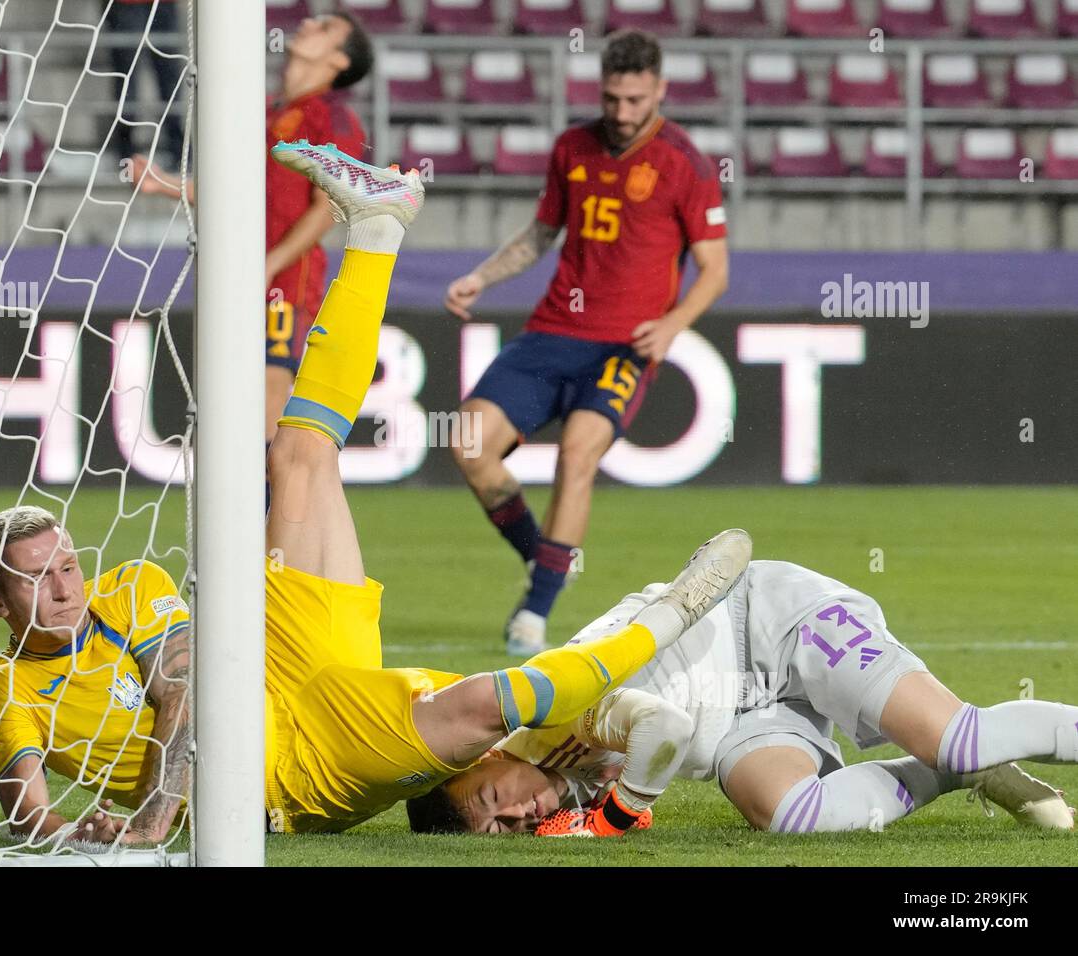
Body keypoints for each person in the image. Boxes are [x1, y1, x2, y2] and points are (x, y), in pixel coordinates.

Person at [258, 139, 751, 833]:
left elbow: (550, 694)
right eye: (522, 825)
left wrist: (676, 612)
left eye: (497, 808)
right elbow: (637, 722)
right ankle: (375, 230)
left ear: (467, 772)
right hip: (318, 687)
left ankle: (542, 590)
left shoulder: (428, 739)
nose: (523, 810)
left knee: (298, 458)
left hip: (288, 749)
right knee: (304, 457)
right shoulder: (462, 742)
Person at [407, 561, 1076, 836]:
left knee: (958, 730)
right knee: (791, 814)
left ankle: (965, 753)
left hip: (770, 622)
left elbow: (663, 728)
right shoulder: (554, 781)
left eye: (496, 798)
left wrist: (614, 818)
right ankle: (959, 774)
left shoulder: (554, 708)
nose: (520, 813)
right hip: (739, 712)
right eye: (496, 827)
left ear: (486, 754)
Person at [442, 30, 730, 656]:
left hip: (624, 345)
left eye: (634, 100)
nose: (622, 113)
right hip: (553, 332)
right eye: (611, 98)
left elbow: (715, 268)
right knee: (467, 441)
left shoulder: (685, 162)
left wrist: (675, 322)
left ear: (659, 90)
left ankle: (534, 614)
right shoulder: (573, 146)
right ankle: (548, 561)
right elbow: (541, 232)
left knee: (578, 453)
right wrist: (480, 277)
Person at [130, 12, 373, 453]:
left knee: (267, 397)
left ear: (339, 59)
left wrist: (268, 266)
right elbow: (236, 194)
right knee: (228, 410)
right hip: (235, 275)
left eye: (323, 27)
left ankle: (268, 517)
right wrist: (162, 184)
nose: (308, 23)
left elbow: (328, 210)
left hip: (285, 280)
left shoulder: (333, 120)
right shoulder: (266, 110)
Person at [0, 506, 191, 845]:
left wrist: (153, 820)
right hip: (260, 812)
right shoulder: (6, 691)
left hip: (295, 724)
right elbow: (28, 814)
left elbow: (185, 690)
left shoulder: (133, 588)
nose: (64, 591)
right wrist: (80, 834)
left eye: (69, 568)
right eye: (38, 578)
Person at [102, 0, 185, 172]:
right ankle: (126, 160)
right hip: (126, 4)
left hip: (162, 3)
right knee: (127, 83)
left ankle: (180, 155)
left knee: (169, 79)